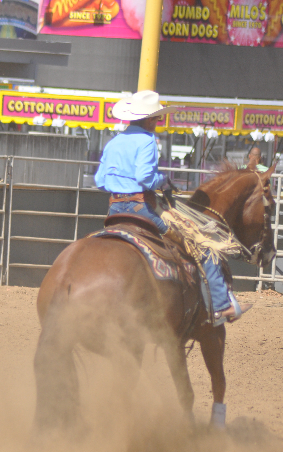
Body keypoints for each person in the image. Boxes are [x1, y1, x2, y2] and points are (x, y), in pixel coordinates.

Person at [95, 90, 250, 324]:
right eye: (157, 117)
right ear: (149, 119)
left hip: (115, 209)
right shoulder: (147, 140)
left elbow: (100, 181)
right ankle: (222, 305)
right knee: (201, 244)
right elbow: (144, 178)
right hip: (141, 208)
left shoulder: (114, 142)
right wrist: (163, 180)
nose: (158, 121)